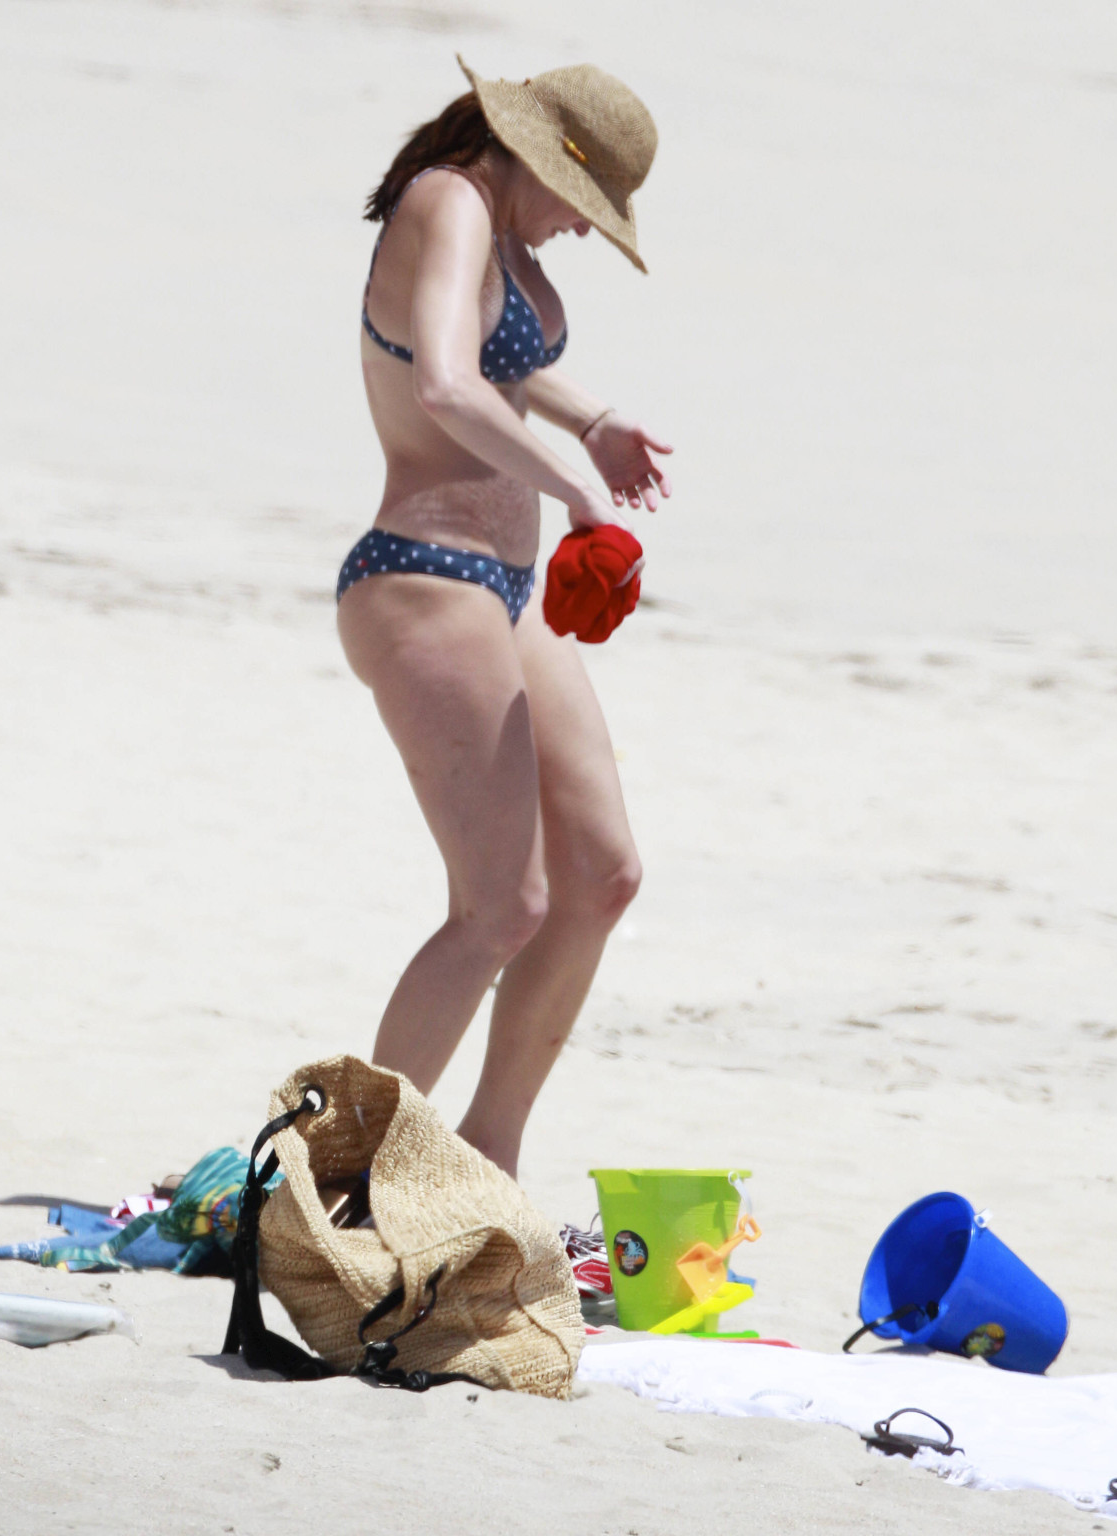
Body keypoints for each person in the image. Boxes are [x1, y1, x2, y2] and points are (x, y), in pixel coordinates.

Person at [336, 58, 672, 1180]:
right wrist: (575, 490)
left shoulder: (502, 230)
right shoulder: (448, 199)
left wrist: (595, 419)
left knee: (603, 874)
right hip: (422, 576)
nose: (581, 233)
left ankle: (485, 1161)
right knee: (500, 907)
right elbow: (442, 380)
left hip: (501, 591)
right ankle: (337, 1177)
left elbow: (497, 360)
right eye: (581, 208)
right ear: (534, 156)